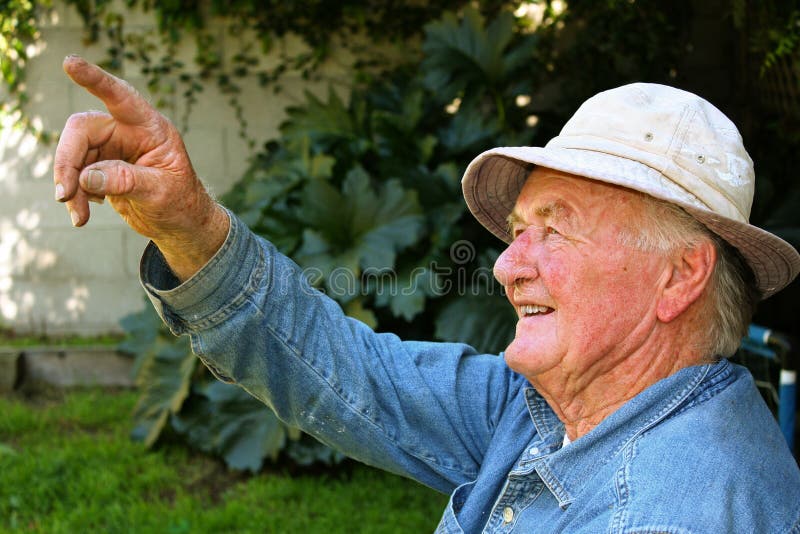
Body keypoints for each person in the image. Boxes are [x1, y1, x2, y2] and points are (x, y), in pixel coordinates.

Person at [54, 55, 800, 533]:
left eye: (556, 230)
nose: (508, 266)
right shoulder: (552, 408)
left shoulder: (666, 513)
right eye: (519, 231)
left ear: (680, 276)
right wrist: (188, 226)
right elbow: (347, 374)